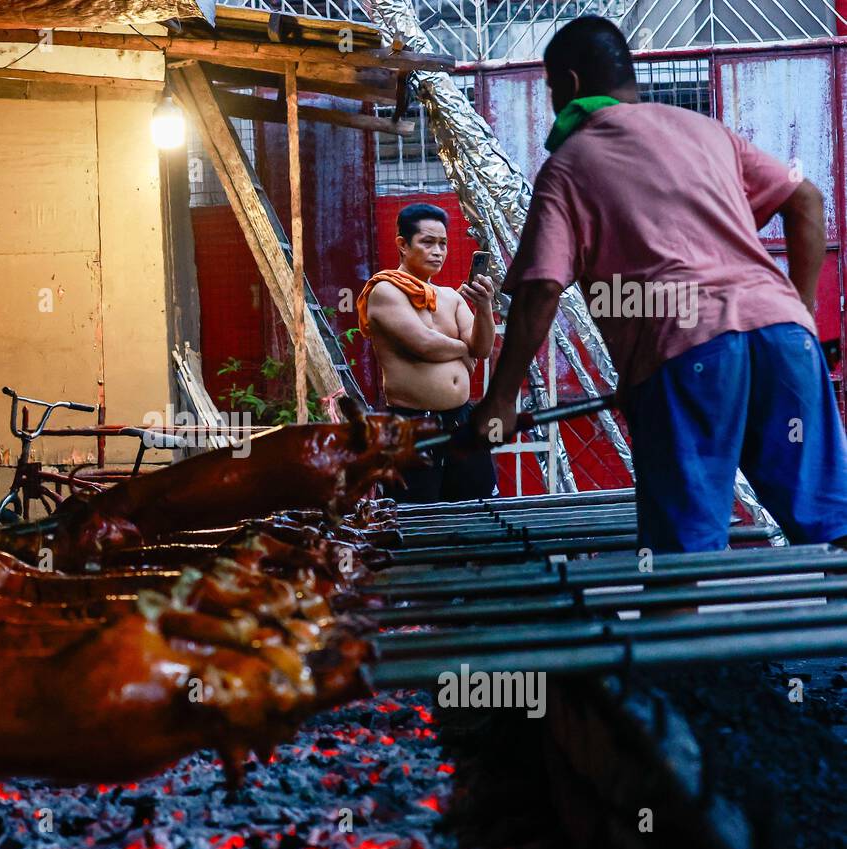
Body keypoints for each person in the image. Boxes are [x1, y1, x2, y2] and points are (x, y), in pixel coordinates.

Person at [468, 15, 847, 552]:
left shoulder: (568, 166)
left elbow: (540, 290)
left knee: (682, 558)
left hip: (687, 353)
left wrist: (500, 400)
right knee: (835, 528)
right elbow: (805, 198)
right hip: (784, 340)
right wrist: (801, 311)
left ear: (570, 85)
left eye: (552, 90)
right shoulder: (703, 130)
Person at [356, 203, 499, 503]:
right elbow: (424, 344)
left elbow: (483, 348)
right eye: (427, 242)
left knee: (476, 508)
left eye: (443, 243)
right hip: (412, 425)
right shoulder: (385, 290)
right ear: (402, 245)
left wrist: (484, 307)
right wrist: (464, 350)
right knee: (417, 518)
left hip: (460, 421)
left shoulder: (450, 297)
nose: (438, 251)